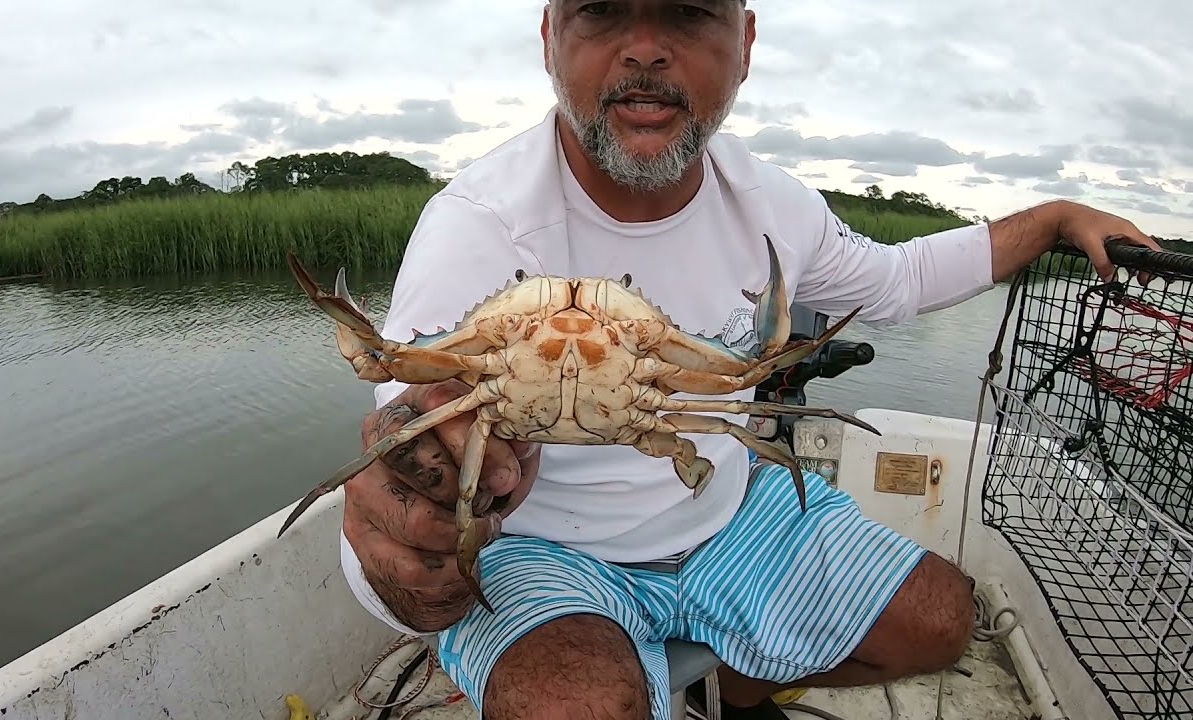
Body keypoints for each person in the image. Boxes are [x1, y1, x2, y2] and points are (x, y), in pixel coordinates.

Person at [335, 1, 1162, 718]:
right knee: (577, 704)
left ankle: (736, 686)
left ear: (746, 43)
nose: (645, 48)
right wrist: (400, 551)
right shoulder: (474, 224)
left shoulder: (773, 207)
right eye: (602, 12)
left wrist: (1052, 217)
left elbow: (902, 279)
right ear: (551, 35)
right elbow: (408, 454)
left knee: (943, 620)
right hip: (538, 548)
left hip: (722, 509)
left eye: (690, 13)